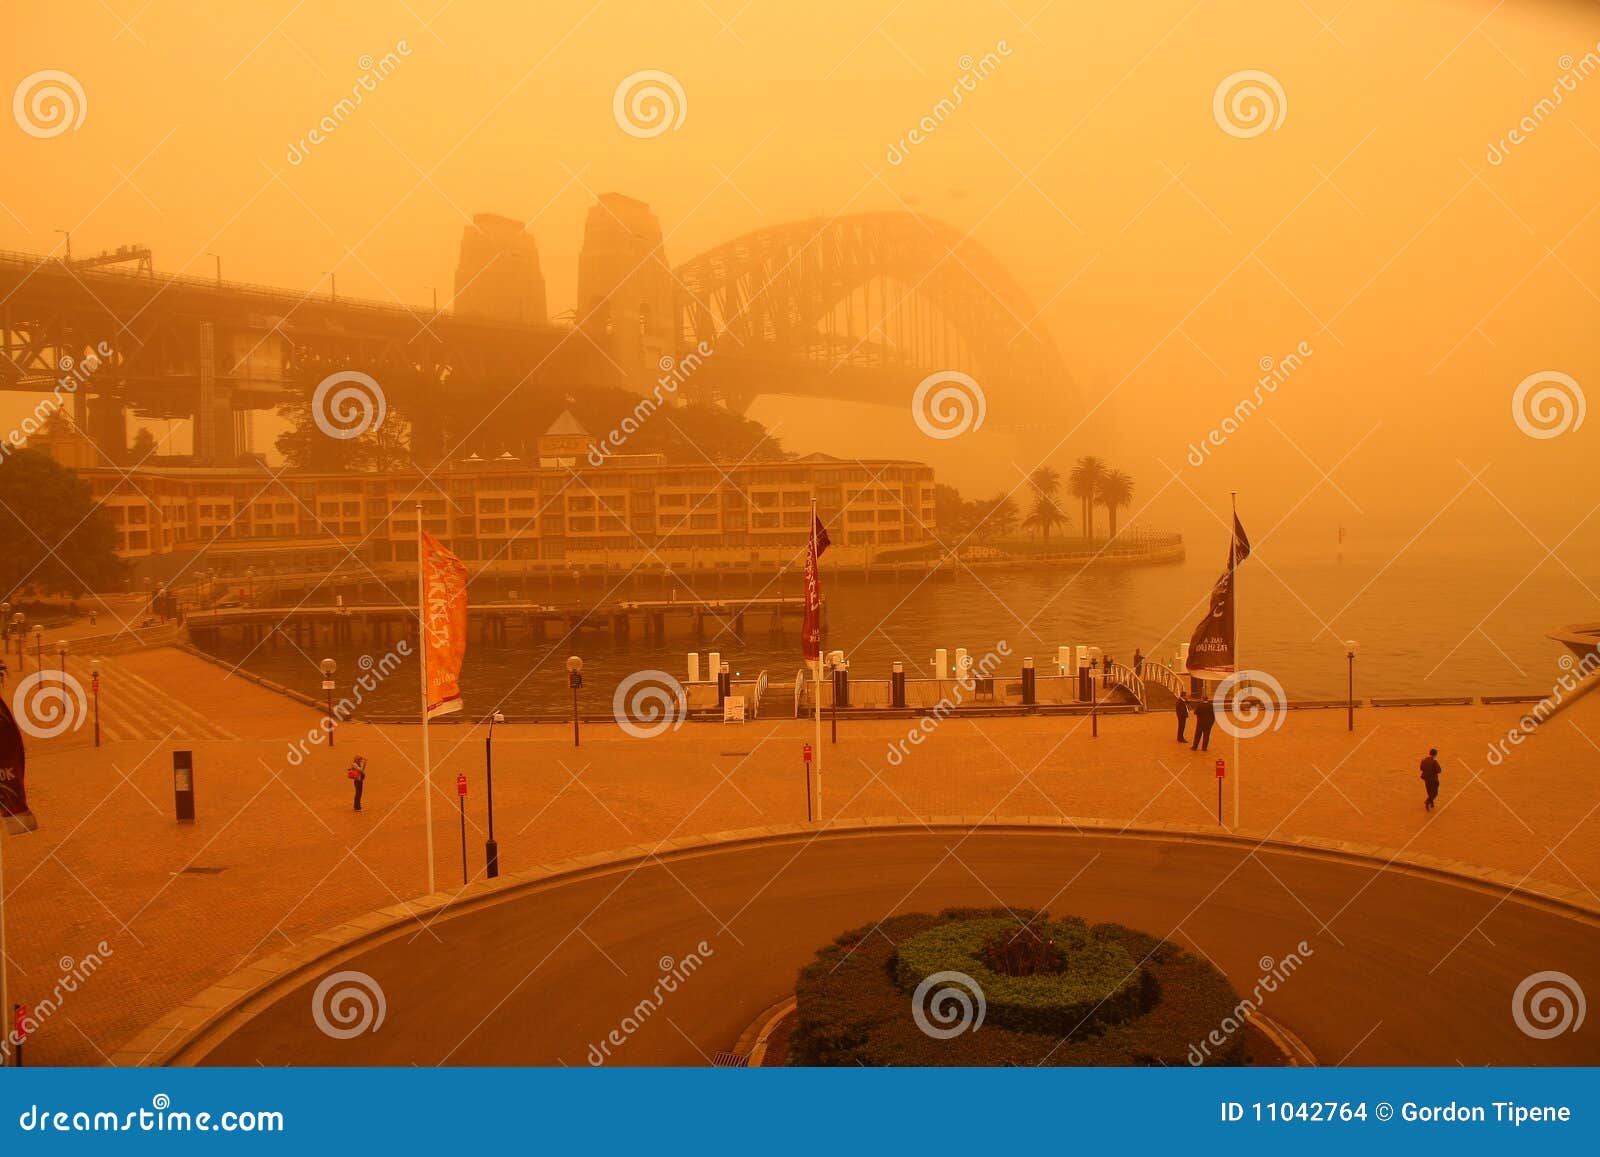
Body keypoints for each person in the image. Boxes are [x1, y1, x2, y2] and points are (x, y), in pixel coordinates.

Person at [1419, 748, 1442, 812]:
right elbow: (1439, 771)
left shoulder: (1423, 761)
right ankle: (1428, 801)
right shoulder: (1434, 762)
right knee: (1435, 793)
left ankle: (1432, 804)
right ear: (1435, 755)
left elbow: (1421, 768)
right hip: (1434, 779)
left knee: (1429, 791)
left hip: (1426, 779)